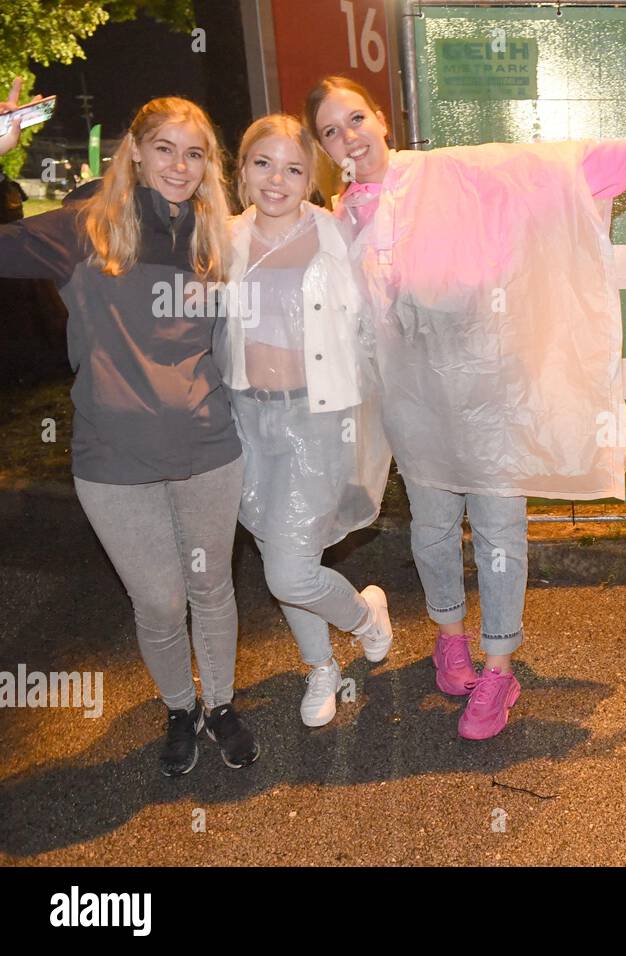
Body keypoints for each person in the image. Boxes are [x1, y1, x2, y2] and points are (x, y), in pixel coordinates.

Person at [306, 75, 626, 739]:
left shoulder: (447, 173)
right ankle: (450, 639)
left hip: (492, 394)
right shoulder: (341, 217)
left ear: (380, 119)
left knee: (499, 532)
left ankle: (499, 667)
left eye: (355, 118)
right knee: (433, 529)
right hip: (418, 406)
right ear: (324, 147)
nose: (349, 136)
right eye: (331, 130)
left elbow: (550, 173)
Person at [0, 80, 259, 774]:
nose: (180, 165)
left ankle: (224, 705)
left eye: (196, 153)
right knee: (158, 598)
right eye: (165, 149)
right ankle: (180, 708)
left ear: (210, 165)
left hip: (208, 449)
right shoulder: (82, 229)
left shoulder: (216, 239)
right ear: (135, 154)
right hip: (113, 462)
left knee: (210, 589)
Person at [220, 114, 392, 727]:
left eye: (294, 168)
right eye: (263, 163)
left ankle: (364, 615)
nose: (277, 179)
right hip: (245, 422)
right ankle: (321, 665)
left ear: (310, 178)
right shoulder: (222, 237)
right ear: (241, 172)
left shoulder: (337, 233)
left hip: (319, 421)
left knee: (289, 569)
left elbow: (384, 305)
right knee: (277, 555)